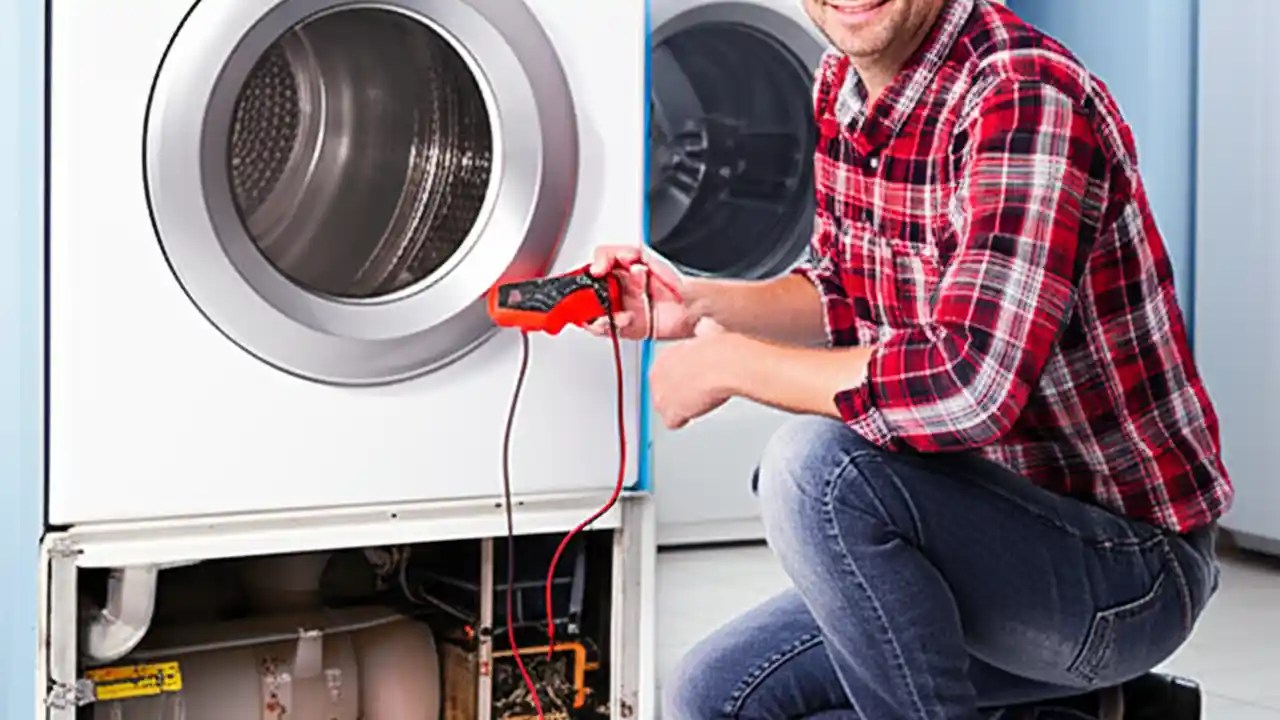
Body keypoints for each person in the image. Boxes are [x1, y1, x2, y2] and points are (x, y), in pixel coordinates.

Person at [588, 0, 1230, 717]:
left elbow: (970, 383)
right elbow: (841, 289)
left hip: (1122, 573)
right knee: (715, 696)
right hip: (969, 539)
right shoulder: (842, 83)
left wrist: (731, 365)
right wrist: (698, 309)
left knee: (818, 471)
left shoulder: (1024, 95)